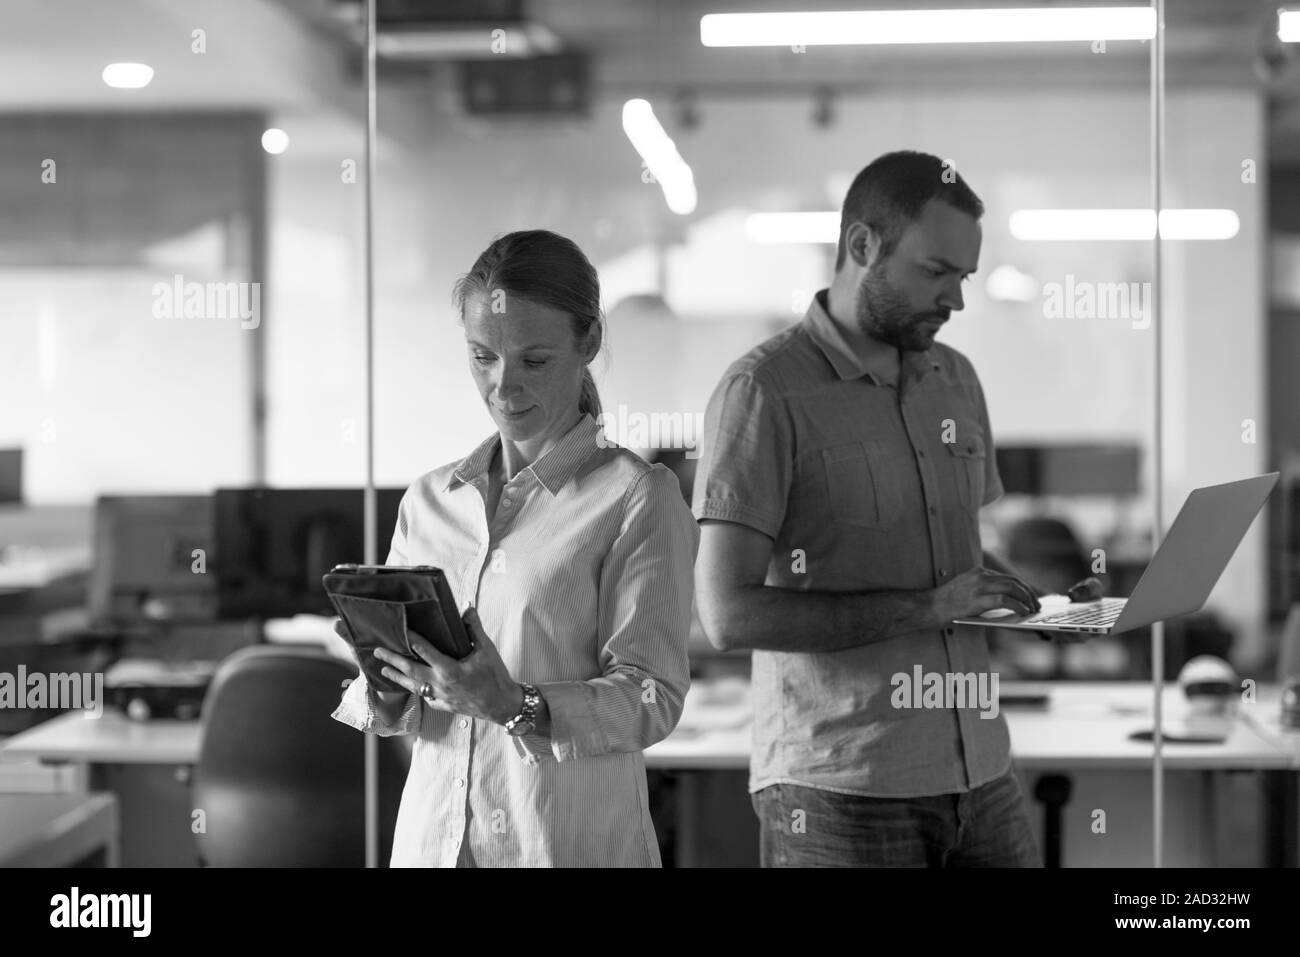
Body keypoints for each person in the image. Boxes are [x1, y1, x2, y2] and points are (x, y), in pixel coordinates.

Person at [693, 150, 1065, 867]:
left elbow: (956, 557)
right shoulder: (764, 393)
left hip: (980, 770)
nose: (956, 300)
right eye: (936, 272)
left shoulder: (956, 379)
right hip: (840, 790)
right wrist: (925, 606)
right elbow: (729, 612)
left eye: (964, 277)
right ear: (862, 246)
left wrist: (1039, 607)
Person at [332, 229, 698, 867]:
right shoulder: (430, 501)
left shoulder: (637, 497)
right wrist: (388, 681)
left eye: (534, 361)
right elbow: (404, 708)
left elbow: (652, 696)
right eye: (482, 357)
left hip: (559, 846)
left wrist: (515, 705)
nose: (503, 386)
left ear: (589, 344)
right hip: (432, 846)